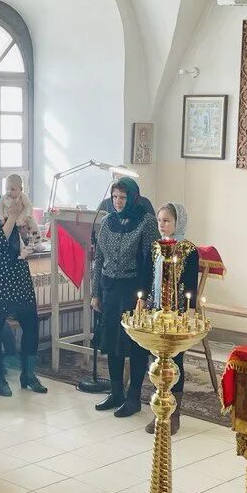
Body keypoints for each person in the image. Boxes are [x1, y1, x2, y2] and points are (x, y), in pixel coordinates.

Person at [0, 167, 47, 397]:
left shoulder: (10, 200)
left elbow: (22, 229)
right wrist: (12, 216)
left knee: (31, 321)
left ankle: (29, 374)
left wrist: (27, 233)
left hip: (17, 268)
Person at [91, 176, 159, 417]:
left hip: (133, 291)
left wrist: (145, 297)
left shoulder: (146, 222)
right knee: (111, 342)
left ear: (133, 197)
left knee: (134, 345)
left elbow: (151, 262)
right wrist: (95, 293)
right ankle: (116, 392)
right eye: (115, 197)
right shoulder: (108, 221)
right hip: (109, 288)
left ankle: (134, 397)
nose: (118, 202)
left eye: (123, 197)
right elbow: (98, 259)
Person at [145, 203, 199, 435]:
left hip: (177, 312)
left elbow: (191, 286)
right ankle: (159, 411)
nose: (162, 225)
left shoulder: (188, 250)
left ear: (179, 223)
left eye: (167, 221)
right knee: (156, 361)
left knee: (176, 361)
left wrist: (189, 311)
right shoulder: (155, 247)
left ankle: (174, 415)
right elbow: (151, 279)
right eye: (160, 221)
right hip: (156, 309)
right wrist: (147, 306)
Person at [0, 172, 41, 259]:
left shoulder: (23, 196)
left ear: (20, 189)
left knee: (33, 224)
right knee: (16, 236)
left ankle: (38, 242)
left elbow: (29, 206)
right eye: (7, 189)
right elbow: (0, 208)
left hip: (22, 218)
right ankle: (23, 250)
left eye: (12, 189)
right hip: (11, 220)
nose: (9, 192)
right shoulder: (4, 197)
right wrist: (1, 218)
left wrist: (28, 215)